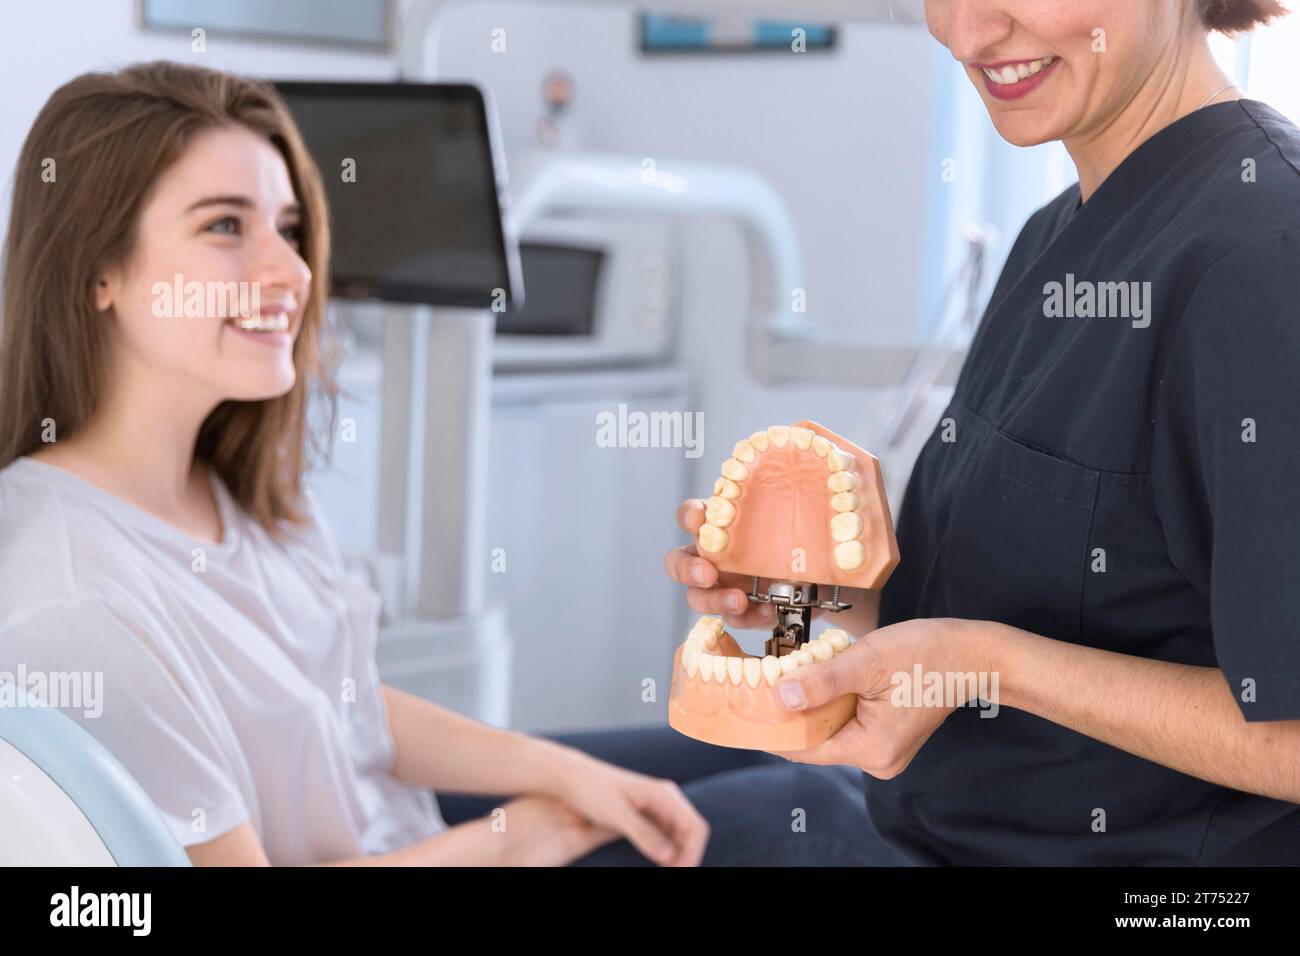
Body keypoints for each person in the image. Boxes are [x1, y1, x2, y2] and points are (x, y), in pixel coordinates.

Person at [0, 61, 872, 867]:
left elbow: (347, 706)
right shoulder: (75, 591)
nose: (290, 271)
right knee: (818, 817)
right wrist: (511, 840)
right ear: (97, 271)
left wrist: (559, 773)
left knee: (787, 752)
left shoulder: (236, 489)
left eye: (291, 227)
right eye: (225, 225)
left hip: (402, 825)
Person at [666, 0, 1300, 865]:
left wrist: (986, 664)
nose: (967, 33)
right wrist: (802, 594)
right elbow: (975, 611)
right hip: (913, 824)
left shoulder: (1266, 257)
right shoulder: (1052, 238)